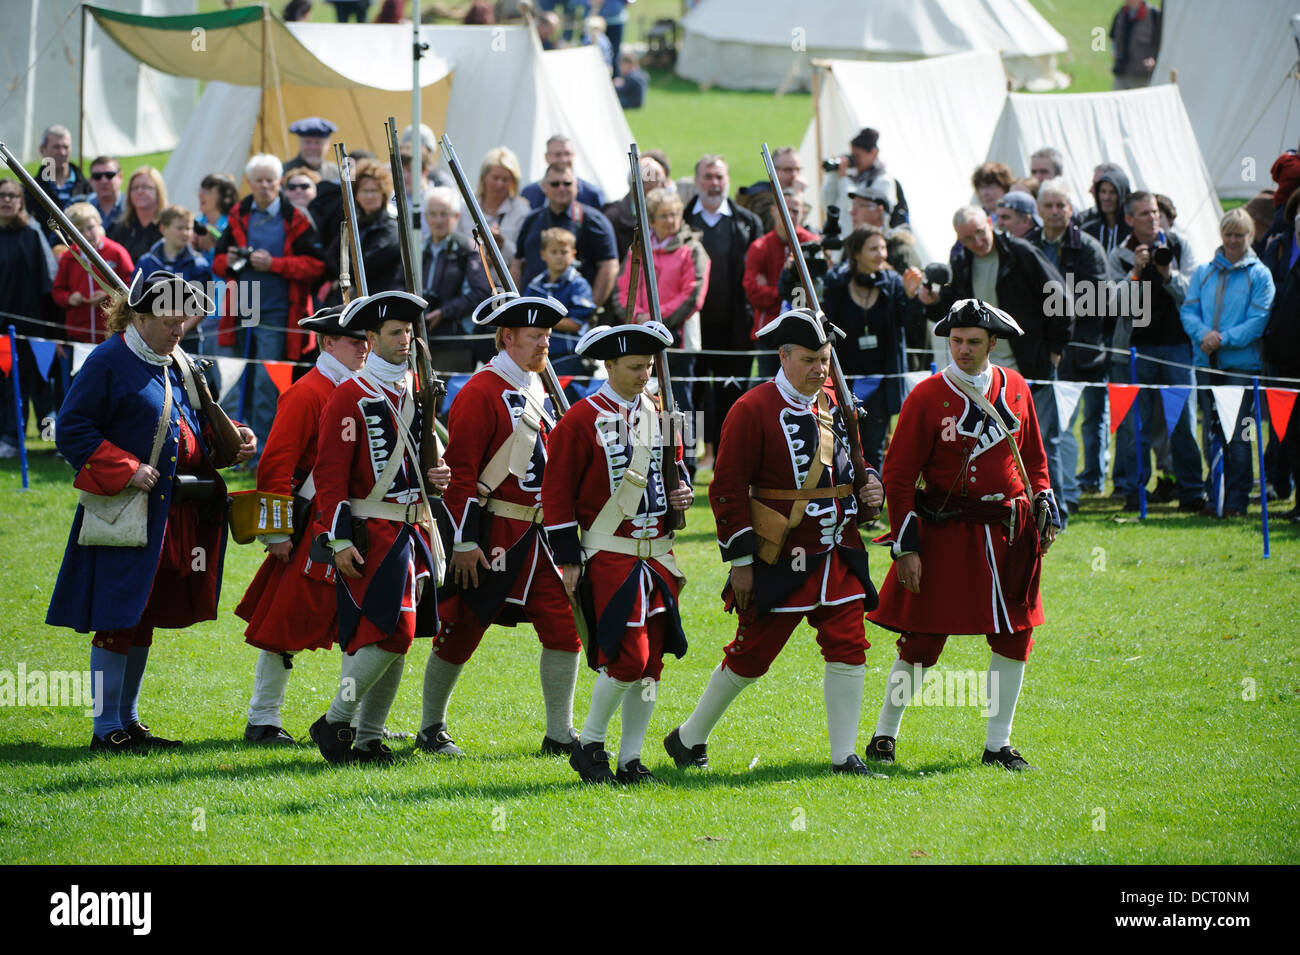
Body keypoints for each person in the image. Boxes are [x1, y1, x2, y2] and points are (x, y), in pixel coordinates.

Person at [664, 308, 887, 776]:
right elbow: (726, 490)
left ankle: (843, 756)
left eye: (825, 359)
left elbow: (851, 470)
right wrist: (741, 561)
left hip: (837, 551)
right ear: (783, 356)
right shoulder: (752, 409)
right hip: (779, 556)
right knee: (751, 656)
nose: (820, 369)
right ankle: (688, 738)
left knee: (849, 645)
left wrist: (871, 489)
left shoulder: (834, 402)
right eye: (809, 359)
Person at [46, 270, 257, 751]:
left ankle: (129, 719)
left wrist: (234, 436)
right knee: (117, 617)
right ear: (138, 317)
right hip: (124, 509)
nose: (179, 329)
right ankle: (106, 730)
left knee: (143, 614)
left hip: (171, 514)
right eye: (169, 320)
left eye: (184, 320)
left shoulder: (178, 361)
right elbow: (72, 429)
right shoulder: (107, 361)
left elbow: (190, 426)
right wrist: (125, 467)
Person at [865, 299, 1060, 771]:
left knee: (1016, 636)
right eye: (956, 341)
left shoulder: (1015, 387)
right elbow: (898, 476)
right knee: (923, 641)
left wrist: (1044, 500)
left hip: (1009, 533)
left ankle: (998, 745)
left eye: (974, 342)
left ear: (993, 344)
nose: (964, 350)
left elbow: (1032, 457)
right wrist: (905, 546)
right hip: (945, 532)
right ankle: (882, 736)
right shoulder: (927, 396)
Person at [420, 292, 582, 757]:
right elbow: (463, 475)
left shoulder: (537, 387)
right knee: (462, 629)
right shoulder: (479, 392)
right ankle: (431, 728)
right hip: (492, 534)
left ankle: (559, 733)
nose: (544, 345)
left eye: (547, 336)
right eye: (535, 336)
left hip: (540, 538)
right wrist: (464, 543)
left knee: (563, 629)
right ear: (507, 337)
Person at [544, 322, 694, 783]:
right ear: (608, 366)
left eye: (648, 366)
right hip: (610, 554)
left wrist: (681, 493)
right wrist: (569, 558)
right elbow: (556, 493)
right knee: (627, 658)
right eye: (633, 367)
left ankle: (630, 758)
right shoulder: (580, 418)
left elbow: (674, 472)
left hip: (657, 555)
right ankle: (590, 743)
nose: (643, 375)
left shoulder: (661, 415)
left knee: (652, 664)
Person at [309, 291, 451, 763]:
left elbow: (423, 458)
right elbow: (329, 476)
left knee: (395, 639)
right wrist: (340, 537)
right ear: (370, 339)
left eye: (409, 332)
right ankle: (333, 723)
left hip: (414, 529)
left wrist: (436, 474)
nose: (405, 340)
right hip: (375, 530)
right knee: (394, 632)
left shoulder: (415, 389)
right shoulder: (351, 394)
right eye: (395, 333)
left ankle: (367, 737)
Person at [236, 304, 370, 743]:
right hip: (311, 524)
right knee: (284, 628)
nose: (365, 348)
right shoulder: (307, 392)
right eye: (355, 341)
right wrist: (275, 533)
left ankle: (355, 721)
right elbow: (275, 466)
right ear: (327, 343)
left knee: (362, 627)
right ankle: (263, 719)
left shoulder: (361, 389)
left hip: (354, 521)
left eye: (367, 340)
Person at [922, 206, 1068, 522]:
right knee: (989, 446)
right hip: (981, 372)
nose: (976, 241)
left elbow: (1059, 297)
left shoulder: (1022, 252)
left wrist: (1054, 350)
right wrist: (931, 303)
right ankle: (992, 511)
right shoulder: (960, 258)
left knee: (1040, 442)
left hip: (1029, 365)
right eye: (967, 238)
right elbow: (952, 315)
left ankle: (1055, 512)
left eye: (979, 233)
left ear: (990, 223)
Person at [213, 153, 326, 466]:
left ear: (280, 183)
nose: (264, 186)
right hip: (241, 308)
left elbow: (317, 266)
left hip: (280, 313)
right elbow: (218, 262)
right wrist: (236, 258)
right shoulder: (238, 214)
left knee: (268, 382)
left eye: (270, 180)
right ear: (249, 183)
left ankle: (263, 454)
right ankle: (234, 448)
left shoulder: (297, 219)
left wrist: (274, 264)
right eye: (258, 181)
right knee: (234, 380)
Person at [1107, 191, 1205, 511]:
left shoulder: (1179, 245)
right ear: (1129, 220)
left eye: (1154, 212)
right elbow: (1112, 304)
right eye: (1144, 214)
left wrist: (1168, 274)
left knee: (1182, 423)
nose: (1152, 218)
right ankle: (1135, 494)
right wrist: (1135, 272)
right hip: (1136, 349)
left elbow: (1194, 293)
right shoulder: (1119, 254)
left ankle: (1191, 491)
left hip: (1177, 347)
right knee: (1138, 427)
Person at [1181, 209, 1276, 517]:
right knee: (1212, 431)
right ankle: (1216, 495)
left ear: (1250, 236)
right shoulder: (1204, 272)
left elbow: (1259, 319)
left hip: (1240, 366)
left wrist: (1223, 338)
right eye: (1228, 234)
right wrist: (1204, 335)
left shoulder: (1259, 274)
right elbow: (1189, 310)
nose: (1233, 240)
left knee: (1237, 434)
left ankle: (1237, 498)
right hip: (1206, 362)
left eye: (1239, 234)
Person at [1028, 178, 1111, 508]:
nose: (1054, 212)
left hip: (1079, 351)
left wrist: (1053, 306)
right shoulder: (1029, 243)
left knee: (1067, 429)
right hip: (1039, 352)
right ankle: (1052, 498)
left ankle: (1068, 497)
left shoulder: (1088, 247)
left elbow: (1100, 297)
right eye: (1047, 206)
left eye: (1060, 205)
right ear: (1038, 210)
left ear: (1071, 209)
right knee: (1045, 432)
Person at [821, 226, 924, 470]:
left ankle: (872, 500)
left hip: (880, 380)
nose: (881, 254)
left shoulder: (894, 283)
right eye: (873, 249)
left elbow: (912, 326)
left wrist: (910, 296)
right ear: (856, 253)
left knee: (874, 445)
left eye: (883, 247)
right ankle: (846, 496)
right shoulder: (837, 283)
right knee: (841, 440)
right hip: (844, 377)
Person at [685, 154, 764, 467]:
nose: (714, 184)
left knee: (731, 397)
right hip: (691, 330)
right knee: (692, 398)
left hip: (735, 330)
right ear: (696, 181)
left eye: (719, 177)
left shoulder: (747, 222)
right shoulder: (681, 219)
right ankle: (687, 463)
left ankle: (727, 460)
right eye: (708, 177)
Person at [612, 188, 709, 413]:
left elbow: (693, 295)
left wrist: (656, 318)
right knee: (644, 402)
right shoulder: (638, 249)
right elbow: (622, 290)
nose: (670, 220)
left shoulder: (692, 249)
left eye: (674, 214)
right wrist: (638, 316)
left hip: (679, 340)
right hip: (639, 336)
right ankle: (650, 448)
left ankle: (685, 448)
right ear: (652, 220)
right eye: (664, 215)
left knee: (679, 403)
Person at [0, 183, 58, 457]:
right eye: (1, 196)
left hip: (34, 326)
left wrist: (51, 328)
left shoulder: (32, 233)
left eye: (12, 196)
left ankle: (51, 438)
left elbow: (49, 283)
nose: (7, 200)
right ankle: (11, 438)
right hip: (1, 329)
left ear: (21, 202)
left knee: (40, 382)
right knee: (7, 382)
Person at [512, 162, 619, 308]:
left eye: (567, 183)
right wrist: (518, 306)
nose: (561, 188)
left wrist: (588, 310)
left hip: (573, 317)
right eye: (555, 184)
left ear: (577, 186)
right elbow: (517, 264)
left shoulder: (595, 221)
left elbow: (609, 266)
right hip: (532, 314)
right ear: (544, 187)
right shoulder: (532, 219)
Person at [421, 186, 493, 370]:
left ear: (456, 216)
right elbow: (400, 283)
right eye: (433, 214)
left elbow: (482, 292)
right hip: (421, 338)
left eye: (444, 214)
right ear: (426, 216)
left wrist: (444, 312)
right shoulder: (417, 248)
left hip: (455, 341)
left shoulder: (468, 248)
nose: (438, 221)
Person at [53, 200, 132, 348]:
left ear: (99, 224)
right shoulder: (69, 257)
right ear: (70, 235)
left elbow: (131, 285)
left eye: (90, 227)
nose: (87, 234)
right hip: (78, 335)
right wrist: (70, 298)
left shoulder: (116, 252)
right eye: (80, 231)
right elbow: (58, 290)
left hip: (113, 333)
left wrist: (108, 296)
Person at [322, 158, 403, 304]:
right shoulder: (353, 223)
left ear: (383, 194)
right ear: (356, 195)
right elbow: (329, 256)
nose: (370, 196)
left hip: (377, 301)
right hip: (349, 300)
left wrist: (342, 271)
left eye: (374, 191)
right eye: (365, 191)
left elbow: (365, 266)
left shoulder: (391, 228)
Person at [524, 227, 596, 375]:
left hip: (570, 357)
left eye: (564, 252)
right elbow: (525, 316)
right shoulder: (535, 285)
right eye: (553, 252)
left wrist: (540, 320)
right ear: (543, 254)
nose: (559, 256)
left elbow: (576, 323)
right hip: (538, 355)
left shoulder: (579, 285)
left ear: (573, 254)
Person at [450, 145, 531, 263]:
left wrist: (502, 243)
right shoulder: (466, 206)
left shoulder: (522, 212)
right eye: (495, 178)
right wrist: (476, 252)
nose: (499, 184)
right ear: (484, 177)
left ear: (513, 182)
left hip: (502, 279)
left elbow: (523, 257)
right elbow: (454, 243)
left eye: (505, 179)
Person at [822, 127, 908, 230]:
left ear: (874, 153)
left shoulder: (883, 180)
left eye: (857, 156)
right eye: (852, 156)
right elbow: (828, 203)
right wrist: (834, 174)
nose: (854, 160)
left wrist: (843, 179)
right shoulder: (849, 177)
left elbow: (853, 205)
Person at [24, 125, 91, 243]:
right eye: (56, 147)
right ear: (42, 150)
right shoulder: (31, 190)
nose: (62, 152)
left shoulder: (87, 187)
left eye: (66, 147)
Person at [520, 135, 606, 210]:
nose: (563, 159)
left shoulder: (592, 194)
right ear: (547, 157)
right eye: (558, 155)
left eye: (567, 154)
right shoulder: (529, 193)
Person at [108, 167, 167, 265]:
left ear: (158, 191)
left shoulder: (169, 226)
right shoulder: (120, 228)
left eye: (145, 187)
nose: (139, 191)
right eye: (135, 188)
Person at [1079, 164, 1132, 255]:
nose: (1106, 197)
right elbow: (1072, 265)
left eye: (1113, 192)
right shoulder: (1088, 230)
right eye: (1103, 191)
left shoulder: (1133, 231)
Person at [1109, 0, 1162, 90]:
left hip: (1142, 75)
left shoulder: (1154, 15)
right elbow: (1113, 37)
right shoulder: (1121, 13)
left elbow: (1162, 42)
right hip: (1121, 72)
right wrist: (1114, 52)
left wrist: (1155, 59)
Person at [193, 173, 239, 266]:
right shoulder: (195, 222)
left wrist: (211, 248)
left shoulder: (233, 226)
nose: (200, 194)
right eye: (201, 190)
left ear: (224, 198)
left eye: (208, 191)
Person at [86, 156, 125, 230]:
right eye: (97, 176)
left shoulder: (134, 207)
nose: (104, 181)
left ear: (120, 177)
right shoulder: (81, 206)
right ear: (90, 180)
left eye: (109, 175)